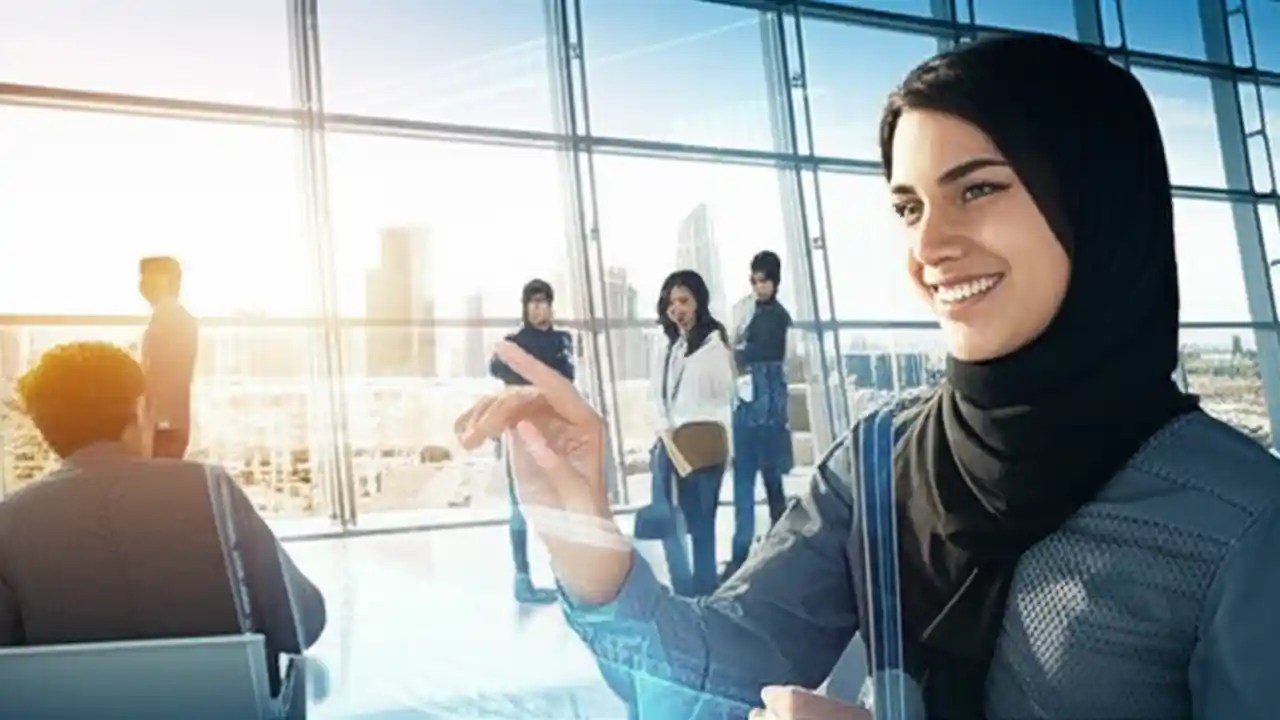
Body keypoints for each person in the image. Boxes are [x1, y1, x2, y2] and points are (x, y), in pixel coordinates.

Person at [455, 34, 1280, 720]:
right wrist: (587, 545)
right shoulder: (882, 461)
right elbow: (713, 684)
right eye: (909, 208)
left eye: (978, 189)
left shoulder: (1241, 523)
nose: (928, 249)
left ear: (1096, 199)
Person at [0, 342, 325, 697]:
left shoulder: (10, 520)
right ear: (139, 410)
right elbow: (299, 622)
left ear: (46, 430)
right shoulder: (208, 488)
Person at [640, 270, 734, 598]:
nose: (677, 308)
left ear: (698, 303)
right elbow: (655, 394)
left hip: (704, 443)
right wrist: (665, 425)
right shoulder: (667, 345)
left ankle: (705, 591)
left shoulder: (713, 344)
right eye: (671, 302)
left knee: (701, 525)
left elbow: (722, 394)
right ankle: (684, 590)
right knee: (669, 522)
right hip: (670, 443)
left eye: (684, 301)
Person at [489, 279, 573, 604]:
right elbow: (499, 369)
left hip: (551, 431)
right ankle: (522, 577)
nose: (538, 308)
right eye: (532, 302)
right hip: (521, 432)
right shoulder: (513, 342)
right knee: (520, 506)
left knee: (555, 504)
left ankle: (562, 574)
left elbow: (565, 377)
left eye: (543, 302)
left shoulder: (561, 341)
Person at [725, 250, 794, 580]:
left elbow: (755, 352)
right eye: (754, 280)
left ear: (775, 281)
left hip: (764, 409)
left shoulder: (776, 317)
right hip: (753, 407)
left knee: (768, 481)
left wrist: (738, 351)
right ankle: (749, 555)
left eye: (763, 280)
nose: (758, 286)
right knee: (755, 482)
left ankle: (772, 554)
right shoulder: (752, 312)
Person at [138, 256, 198, 459]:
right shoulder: (164, 319)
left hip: (166, 425)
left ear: (171, 281)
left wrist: (160, 422)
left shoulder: (176, 321)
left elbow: (171, 377)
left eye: (150, 278)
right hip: (162, 423)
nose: (143, 285)